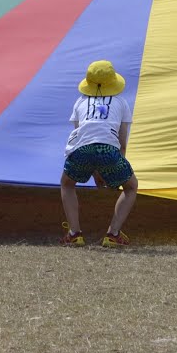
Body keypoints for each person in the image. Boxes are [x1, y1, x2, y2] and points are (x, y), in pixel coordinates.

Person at [58, 60, 138, 248]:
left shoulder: (80, 101)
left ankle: (74, 233)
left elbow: (81, 137)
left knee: (67, 184)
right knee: (131, 187)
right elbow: (121, 142)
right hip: (109, 150)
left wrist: (95, 171)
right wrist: (110, 170)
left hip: (81, 150)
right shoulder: (121, 102)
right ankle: (113, 234)